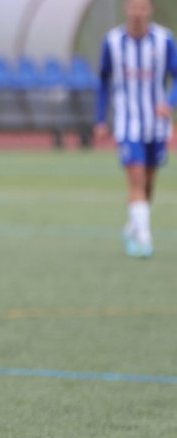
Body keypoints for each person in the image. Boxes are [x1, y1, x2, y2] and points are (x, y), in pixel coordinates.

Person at [95, 0, 177, 259]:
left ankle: (134, 225)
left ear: (150, 10)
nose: (138, 13)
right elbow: (104, 82)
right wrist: (100, 119)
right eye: (133, 7)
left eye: (143, 8)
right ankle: (144, 237)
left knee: (149, 181)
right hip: (128, 122)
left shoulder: (165, 40)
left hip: (157, 124)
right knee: (136, 177)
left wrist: (170, 102)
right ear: (126, 10)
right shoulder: (112, 42)